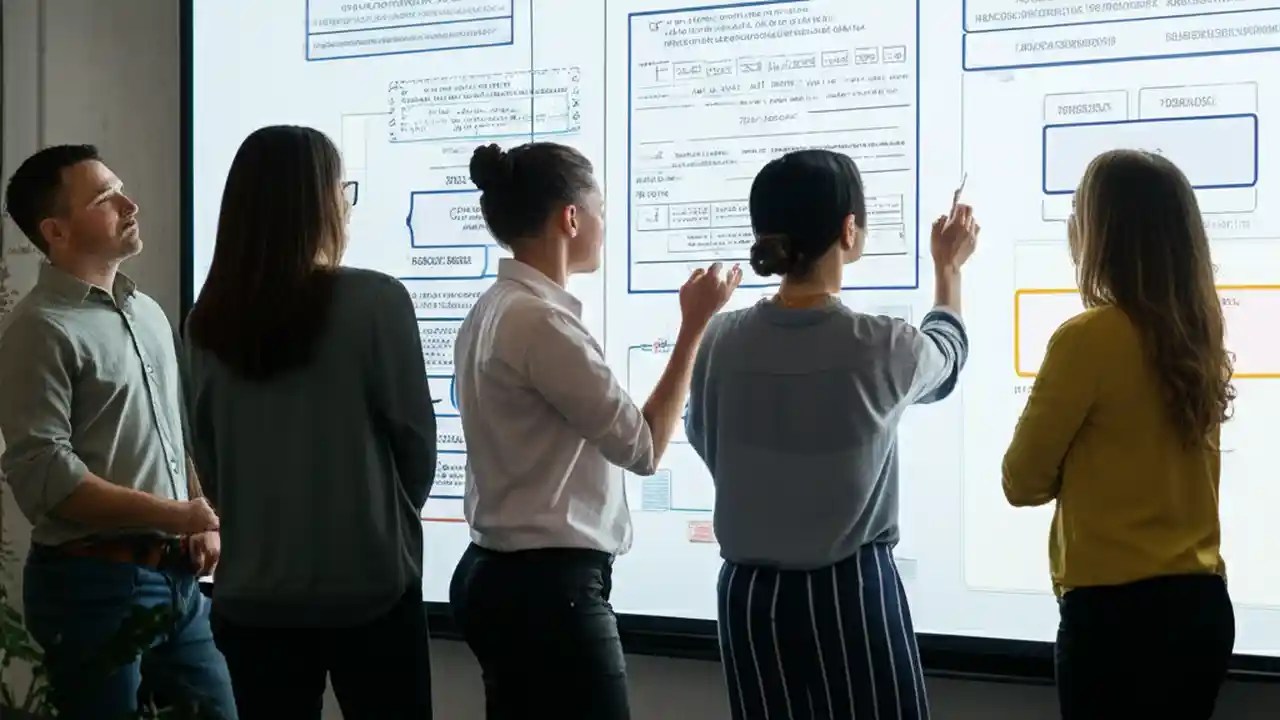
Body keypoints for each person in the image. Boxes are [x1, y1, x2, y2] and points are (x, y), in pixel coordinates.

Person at [448, 140, 741, 719]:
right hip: (549, 594)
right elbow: (644, 446)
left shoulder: (492, 308)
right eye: (601, 209)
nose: (606, 226)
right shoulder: (541, 322)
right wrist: (694, 327)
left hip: (497, 577)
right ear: (571, 217)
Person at [684, 149, 978, 720]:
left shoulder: (718, 339)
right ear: (849, 230)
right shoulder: (879, 344)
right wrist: (949, 269)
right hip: (849, 594)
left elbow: (700, 434)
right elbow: (948, 356)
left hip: (748, 600)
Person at [182, 125, 437, 718]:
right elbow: (417, 450)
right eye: (342, 189)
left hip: (251, 599)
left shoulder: (205, 322)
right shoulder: (377, 302)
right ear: (321, 203)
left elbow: (209, 460)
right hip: (370, 589)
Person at [0, 144, 236, 719]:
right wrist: (175, 515)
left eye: (120, 188)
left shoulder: (147, 311)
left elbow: (172, 430)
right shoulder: (38, 330)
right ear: (55, 231)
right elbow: (47, 481)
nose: (130, 204)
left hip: (176, 580)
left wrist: (195, 506)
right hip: (91, 588)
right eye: (105, 198)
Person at [1001, 149, 1236, 719]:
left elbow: (1022, 480)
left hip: (1116, 622)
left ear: (1102, 232)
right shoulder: (1196, 331)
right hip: (1200, 608)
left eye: (1079, 211)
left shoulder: (1088, 337)